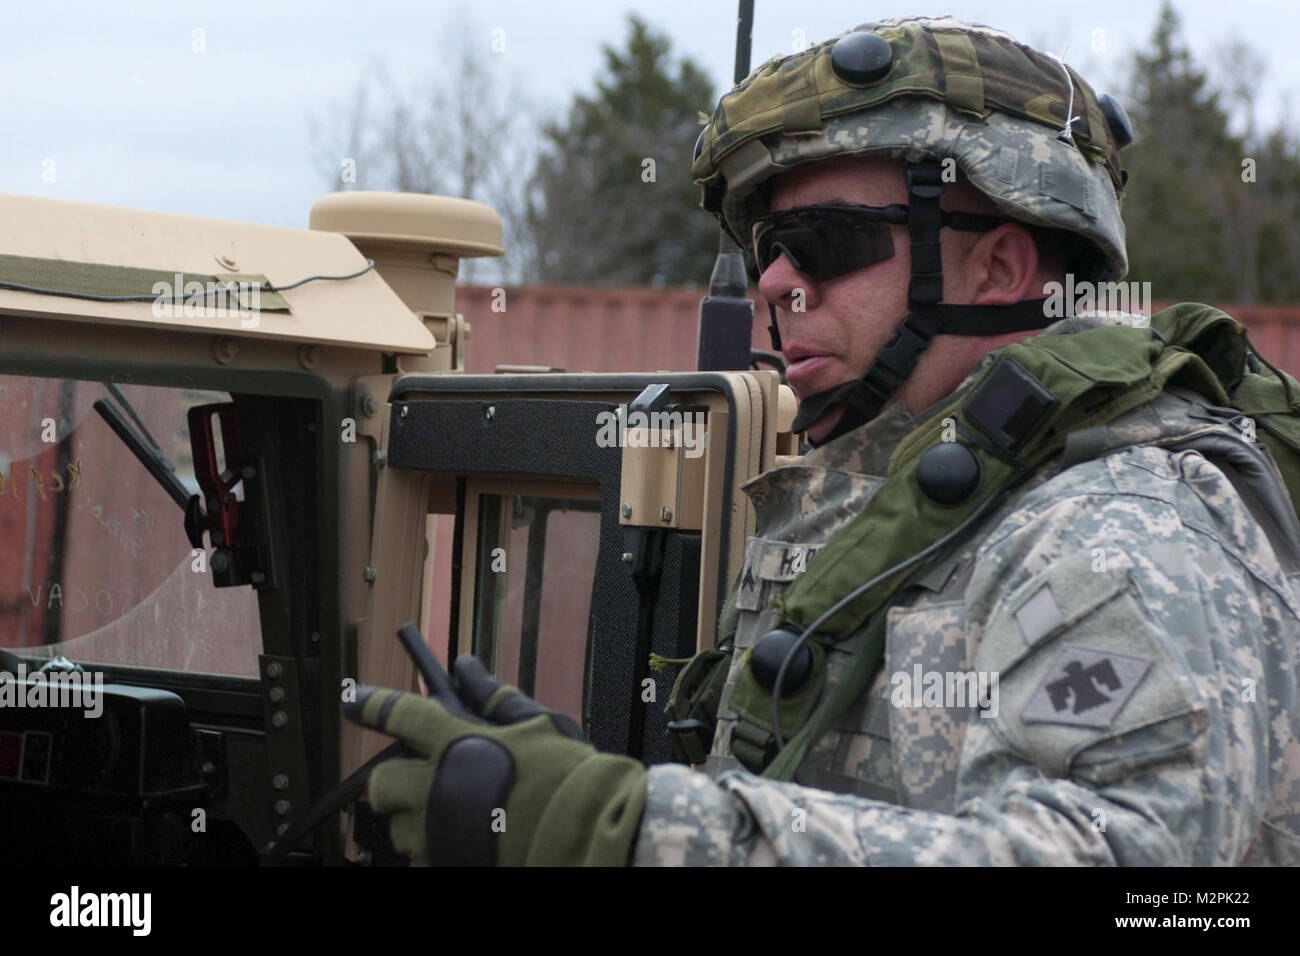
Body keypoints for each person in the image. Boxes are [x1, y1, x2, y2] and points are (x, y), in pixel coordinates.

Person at [346, 15, 1300, 866]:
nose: (776, 283)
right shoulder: (889, 505)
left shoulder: (1118, 529)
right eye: (769, 248)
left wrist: (633, 831)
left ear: (1000, 265)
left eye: (828, 242)